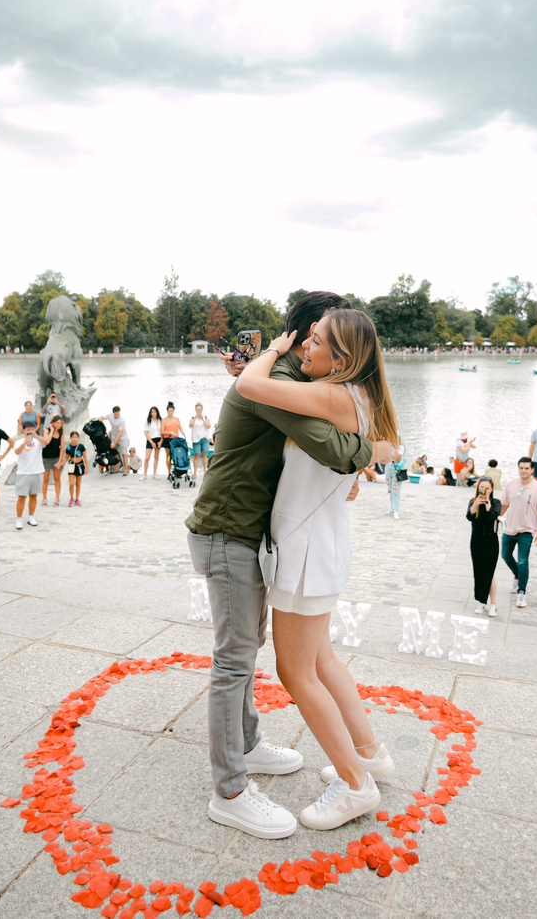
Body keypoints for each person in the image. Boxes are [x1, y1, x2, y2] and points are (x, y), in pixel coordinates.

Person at [186, 291, 392, 840]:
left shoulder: (295, 382)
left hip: (257, 534)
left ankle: (249, 747)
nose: (315, 345)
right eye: (318, 334)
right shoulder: (287, 384)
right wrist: (374, 453)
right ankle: (230, 789)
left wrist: (370, 452)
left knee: (252, 652)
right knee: (237, 660)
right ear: (306, 338)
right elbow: (336, 449)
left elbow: (339, 443)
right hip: (230, 528)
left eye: (329, 338)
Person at [236, 308, 398, 831]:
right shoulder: (360, 396)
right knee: (323, 659)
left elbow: (250, 385)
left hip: (305, 548)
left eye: (316, 341)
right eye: (306, 337)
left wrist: (271, 350)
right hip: (320, 541)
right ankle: (369, 753)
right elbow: (382, 450)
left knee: (295, 671)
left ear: (343, 359)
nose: (306, 345)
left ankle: (355, 785)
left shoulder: (332, 395)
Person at [500, 457, 537, 608]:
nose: (524, 470)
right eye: (521, 468)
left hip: (527, 531)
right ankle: (518, 577)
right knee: (505, 555)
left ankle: (522, 592)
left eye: (527, 468)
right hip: (510, 529)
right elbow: (504, 504)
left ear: (533, 469)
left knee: (523, 561)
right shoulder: (511, 484)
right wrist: (498, 519)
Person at [467, 477, 501, 617]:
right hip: (476, 540)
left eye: (487, 488)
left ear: (491, 489)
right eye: (482, 488)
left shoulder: (495, 502)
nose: (484, 490)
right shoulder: (472, 501)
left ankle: (493, 604)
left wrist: (487, 502)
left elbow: (492, 516)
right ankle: (481, 601)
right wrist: (475, 504)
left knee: (490, 573)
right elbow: (469, 516)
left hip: (491, 541)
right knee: (478, 572)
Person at [14, 423, 50, 528]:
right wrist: (25, 442)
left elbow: (46, 442)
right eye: (27, 429)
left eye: (31, 429)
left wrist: (36, 436)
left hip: (37, 471)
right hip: (23, 472)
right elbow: (17, 451)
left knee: (34, 495)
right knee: (21, 497)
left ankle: (31, 517)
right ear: (24, 430)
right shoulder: (19, 441)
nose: (29, 431)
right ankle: (19, 519)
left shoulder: (38, 440)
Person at [42, 415, 65, 506]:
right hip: (46, 458)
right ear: (53, 423)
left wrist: (60, 461)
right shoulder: (46, 430)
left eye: (60, 423)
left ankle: (57, 498)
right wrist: (52, 430)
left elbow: (62, 448)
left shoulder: (61, 433)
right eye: (57, 423)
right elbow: (47, 441)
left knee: (57, 479)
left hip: (55, 458)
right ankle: (44, 498)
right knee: (46, 479)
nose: (59, 425)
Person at [101, 406, 129, 475]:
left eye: (118, 414)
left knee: (124, 454)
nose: (117, 415)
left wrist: (114, 443)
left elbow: (120, 433)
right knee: (115, 453)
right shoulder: (110, 416)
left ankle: (126, 470)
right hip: (114, 437)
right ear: (113, 413)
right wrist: (100, 418)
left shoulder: (122, 420)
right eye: (115, 414)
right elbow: (103, 417)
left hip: (123, 438)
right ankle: (116, 469)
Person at [62, 431, 88, 505]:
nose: (74, 439)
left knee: (78, 483)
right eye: (73, 437)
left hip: (79, 464)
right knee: (71, 483)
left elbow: (85, 457)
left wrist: (86, 468)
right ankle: (71, 498)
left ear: (78, 438)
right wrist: (62, 463)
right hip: (71, 464)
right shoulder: (69, 447)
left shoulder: (81, 446)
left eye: (76, 437)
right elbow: (66, 457)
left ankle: (77, 498)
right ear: (70, 438)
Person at [161, 402, 186, 472]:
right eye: (169, 411)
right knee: (169, 456)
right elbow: (162, 432)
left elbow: (180, 428)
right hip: (167, 439)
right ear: (167, 411)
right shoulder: (164, 420)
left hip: (176, 440)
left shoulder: (177, 419)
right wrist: (170, 432)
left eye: (172, 411)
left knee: (176, 454)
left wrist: (182, 431)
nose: (170, 413)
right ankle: (169, 472)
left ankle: (177, 470)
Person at [190, 403, 212, 477]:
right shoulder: (193, 417)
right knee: (196, 455)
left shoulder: (205, 417)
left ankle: (205, 471)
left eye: (200, 409)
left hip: (204, 438)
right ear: (195, 409)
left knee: (204, 455)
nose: (199, 411)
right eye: (197, 409)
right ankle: (195, 472)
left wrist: (202, 419)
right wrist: (196, 417)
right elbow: (190, 425)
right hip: (196, 439)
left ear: (202, 409)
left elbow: (208, 426)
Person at [384, 446, 405, 519]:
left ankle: (396, 510)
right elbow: (383, 458)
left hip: (396, 469)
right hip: (388, 468)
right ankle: (392, 508)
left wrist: (395, 448)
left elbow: (396, 458)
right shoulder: (388, 445)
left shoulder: (400, 447)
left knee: (395, 490)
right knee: (390, 490)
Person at [143, 407, 163, 478]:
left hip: (158, 439)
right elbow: (146, 433)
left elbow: (162, 432)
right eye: (152, 412)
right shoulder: (148, 421)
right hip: (150, 439)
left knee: (156, 457)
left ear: (157, 412)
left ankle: (155, 473)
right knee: (147, 458)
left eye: (155, 412)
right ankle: (145, 474)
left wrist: (161, 441)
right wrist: (151, 442)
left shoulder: (160, 420)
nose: (153, 413)